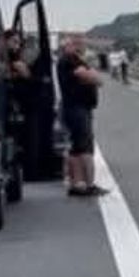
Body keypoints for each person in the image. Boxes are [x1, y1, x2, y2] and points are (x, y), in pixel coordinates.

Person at [56, 34, 108, 197]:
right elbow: (92, 78)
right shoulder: (69, 60)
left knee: (77, 147)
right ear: (68, 45)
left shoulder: (72, 60)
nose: (81, 46)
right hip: (77, 108)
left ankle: (78, 183)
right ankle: (88, 183)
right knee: (84, 146)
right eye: (77, 43)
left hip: (77, 107)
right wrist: (92, 75)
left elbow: (93, 77)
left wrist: (91, 75)